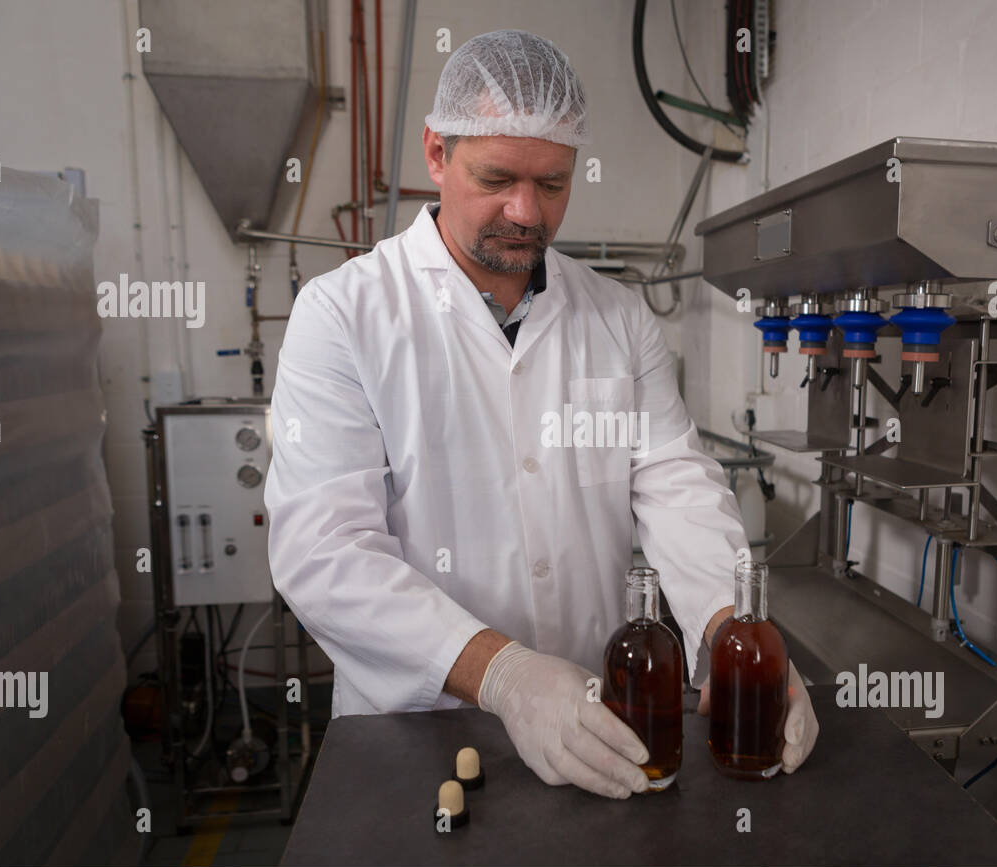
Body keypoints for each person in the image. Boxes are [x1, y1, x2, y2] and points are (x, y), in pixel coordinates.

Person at [264, 29, 816, 799]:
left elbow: (676, 484)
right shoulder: (344, 314)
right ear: (435, 154)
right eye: (496, 178)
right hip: (418, 726)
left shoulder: (618, 318)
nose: (525, 211)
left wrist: (729, 633)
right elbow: (325, 552)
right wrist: (506, 674)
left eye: (552, 184)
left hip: (595, 727)